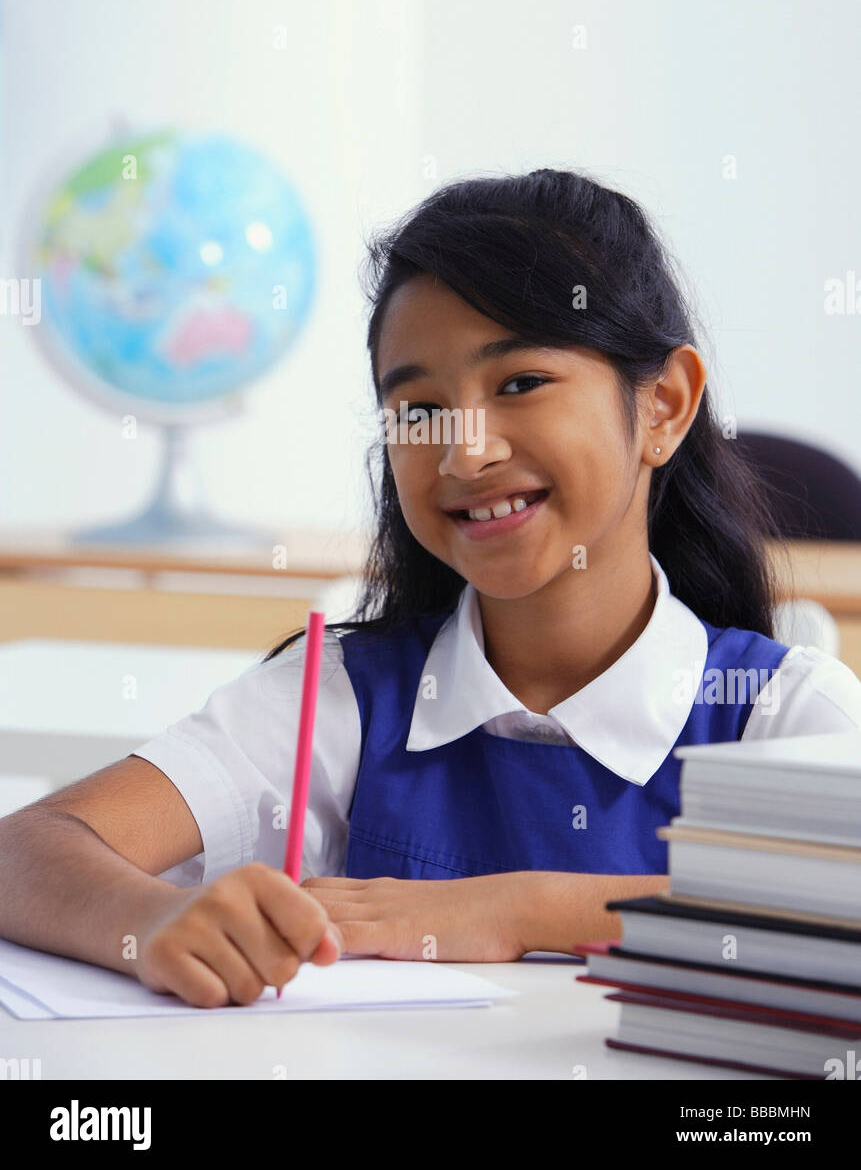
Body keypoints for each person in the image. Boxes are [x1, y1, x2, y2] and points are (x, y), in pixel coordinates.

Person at [2, 167, 859, 1008]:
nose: (463, 454)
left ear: (664, 405)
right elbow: (25, 851)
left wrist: (522, 907)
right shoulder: (341, 696)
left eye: (519, 383)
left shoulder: (777, 711)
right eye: (416, 413)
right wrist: (151, 920)